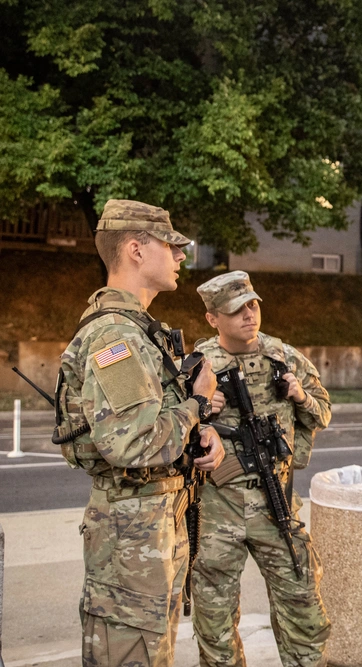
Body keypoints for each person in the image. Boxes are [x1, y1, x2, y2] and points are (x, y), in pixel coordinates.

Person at [55, 199, 225, 666]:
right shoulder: (117, 336)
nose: (181, 256)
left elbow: (153, 422)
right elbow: (131, 443)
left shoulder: (139, 330)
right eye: (170, 246)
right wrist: (197, 404)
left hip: (153, 522)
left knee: (153, 654)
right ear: (135, 249)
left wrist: (202, 433)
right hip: (131, 531)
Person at [191, 271, 332, 667]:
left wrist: (300, 396)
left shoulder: (284, 356)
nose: (249, 315)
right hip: (217, 511)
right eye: (236, 310)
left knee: (304, 610)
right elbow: (168, 433)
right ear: (213, 319)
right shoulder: (197, 366)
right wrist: (200, 409)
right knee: (214, 624)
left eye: (253, 305)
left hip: (277, 505)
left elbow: (323, 412)